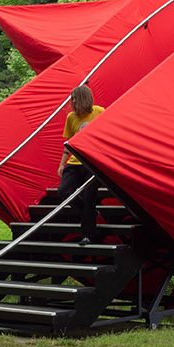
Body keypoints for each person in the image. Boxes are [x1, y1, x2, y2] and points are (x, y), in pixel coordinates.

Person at [56, 84, 105, 244]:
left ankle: (87, 235)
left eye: (75, 98)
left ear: (84, 98)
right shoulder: (71, 117)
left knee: (90, 196)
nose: (73, 102)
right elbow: (68, 143)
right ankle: (88, 213)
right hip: (74, 161)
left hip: (92, 162)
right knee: (64, 191)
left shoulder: (99, 112)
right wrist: (62, 164)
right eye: (72, 99)